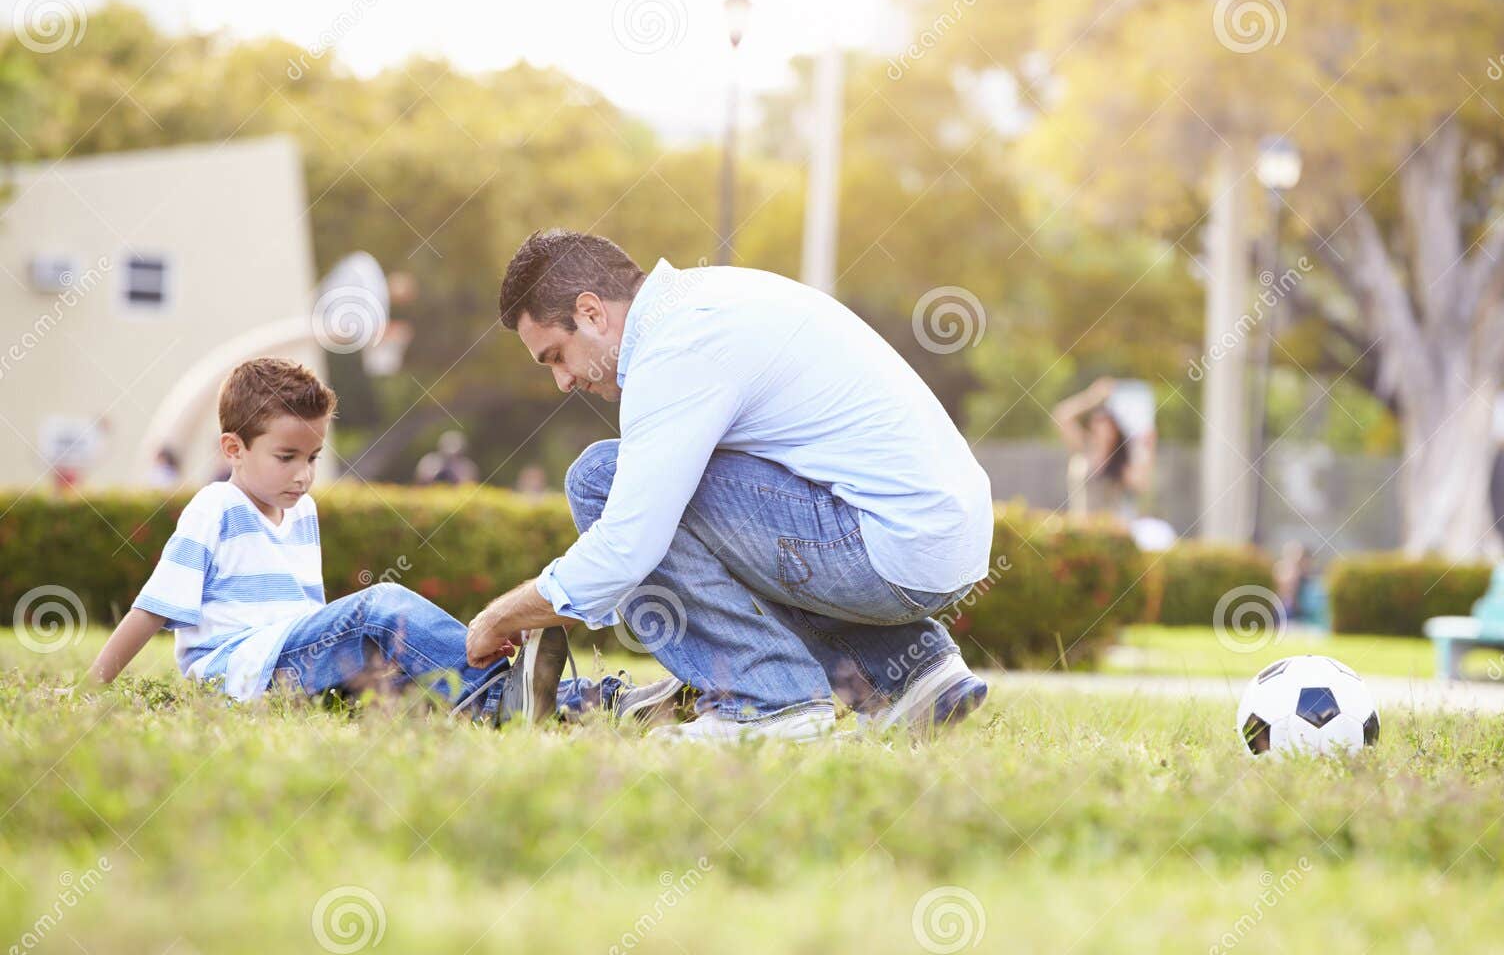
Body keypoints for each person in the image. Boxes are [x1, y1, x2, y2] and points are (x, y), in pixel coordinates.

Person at [464, 229, 995, 743]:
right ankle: (908, 674)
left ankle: (766, 705)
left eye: (556, 355)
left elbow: (628, 547)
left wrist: (499, 617)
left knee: (600, 478)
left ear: (591, 312)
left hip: (887, 546)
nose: (563, 382)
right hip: (936, 537)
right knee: (684, 486)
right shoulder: (713, 297)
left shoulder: (674, 348)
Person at [88, 358, 532, 722]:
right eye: (286, 457)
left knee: (412, 681)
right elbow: (153, 608)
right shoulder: (215, 507)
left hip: (298, 664)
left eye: (313, 457)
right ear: (233, 449)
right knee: (379, 606)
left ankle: (577, 698)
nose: (303, 474)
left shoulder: (303, 511)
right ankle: (498, 689)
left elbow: (307, 616)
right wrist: (89, 689)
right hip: (239, 673)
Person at [1052, 377, 1151, 522]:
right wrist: (1091, 398)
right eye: (1098, 421)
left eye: (1107, 423)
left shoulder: (1123, 459)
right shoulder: (1083, 447)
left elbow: (1140, 484)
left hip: (1111, 533)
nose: (1102, 428)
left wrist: (1145, 447)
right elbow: (1061, 416)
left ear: (1115, 429)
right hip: (1081, 529)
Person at [415, 431, 480, 485]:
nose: (450, 457)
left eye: (456, 455)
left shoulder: (467, 467)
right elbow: (420, 481)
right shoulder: (428, 462)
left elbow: (471, 485)